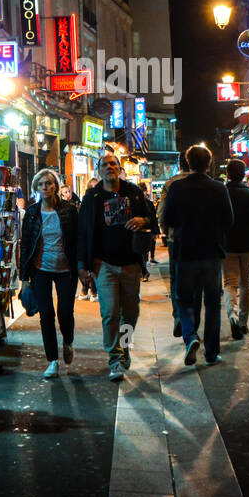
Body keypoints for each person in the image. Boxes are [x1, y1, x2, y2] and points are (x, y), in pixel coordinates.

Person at [78, 154, 153, 381]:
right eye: (105, 165)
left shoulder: (134, 193)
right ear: (99, 171)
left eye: (113, 164)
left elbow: (153, 218)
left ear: (119, 169)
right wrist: (82, 265)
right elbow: (82, 233)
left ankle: (125, 345)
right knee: (110, 313)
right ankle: (115, 359)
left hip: (130, 263)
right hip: (104, 265)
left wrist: (143, 221)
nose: (109, 167)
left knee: (130, 313)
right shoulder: (92, 197)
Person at [162, 145, 234, 366]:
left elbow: (168, 219)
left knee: (185, 301)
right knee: (212, 303)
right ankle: (211, 352)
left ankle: (191, 336)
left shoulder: (176, 188)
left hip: (186, 253)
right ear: (209, 164)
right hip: (212, 253)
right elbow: (229, 220)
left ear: (187, 162)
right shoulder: (219, 188)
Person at [19, 169, 80, 378]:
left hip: (65, 269)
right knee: (46, 315)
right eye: (41, 184)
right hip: (40, 270)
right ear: (36, 188)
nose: (45, 187)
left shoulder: (69, 210)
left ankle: (68, 341)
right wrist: (23, 277)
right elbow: (25, 245)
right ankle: (52, 360)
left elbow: (78, 240)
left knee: (65, 312)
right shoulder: (32, 213)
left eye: (49, 183)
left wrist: (82, 267)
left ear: (55, 186)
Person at [223, 158, 249, 339]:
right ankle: (243, 322)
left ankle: (232, 315)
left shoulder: (223, 192)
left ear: (228, 174)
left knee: (230, 284)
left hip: (228, 245)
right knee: (246, 284)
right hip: (248, 246)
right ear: (243, 173)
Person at [156, 157, 190, 336]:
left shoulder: (170, 184)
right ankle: (190, 321)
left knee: (176, 277)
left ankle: (178, 314)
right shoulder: (206, 183)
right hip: (198, 239)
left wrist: (165, 230)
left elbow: (161, 213)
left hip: (174, 238)